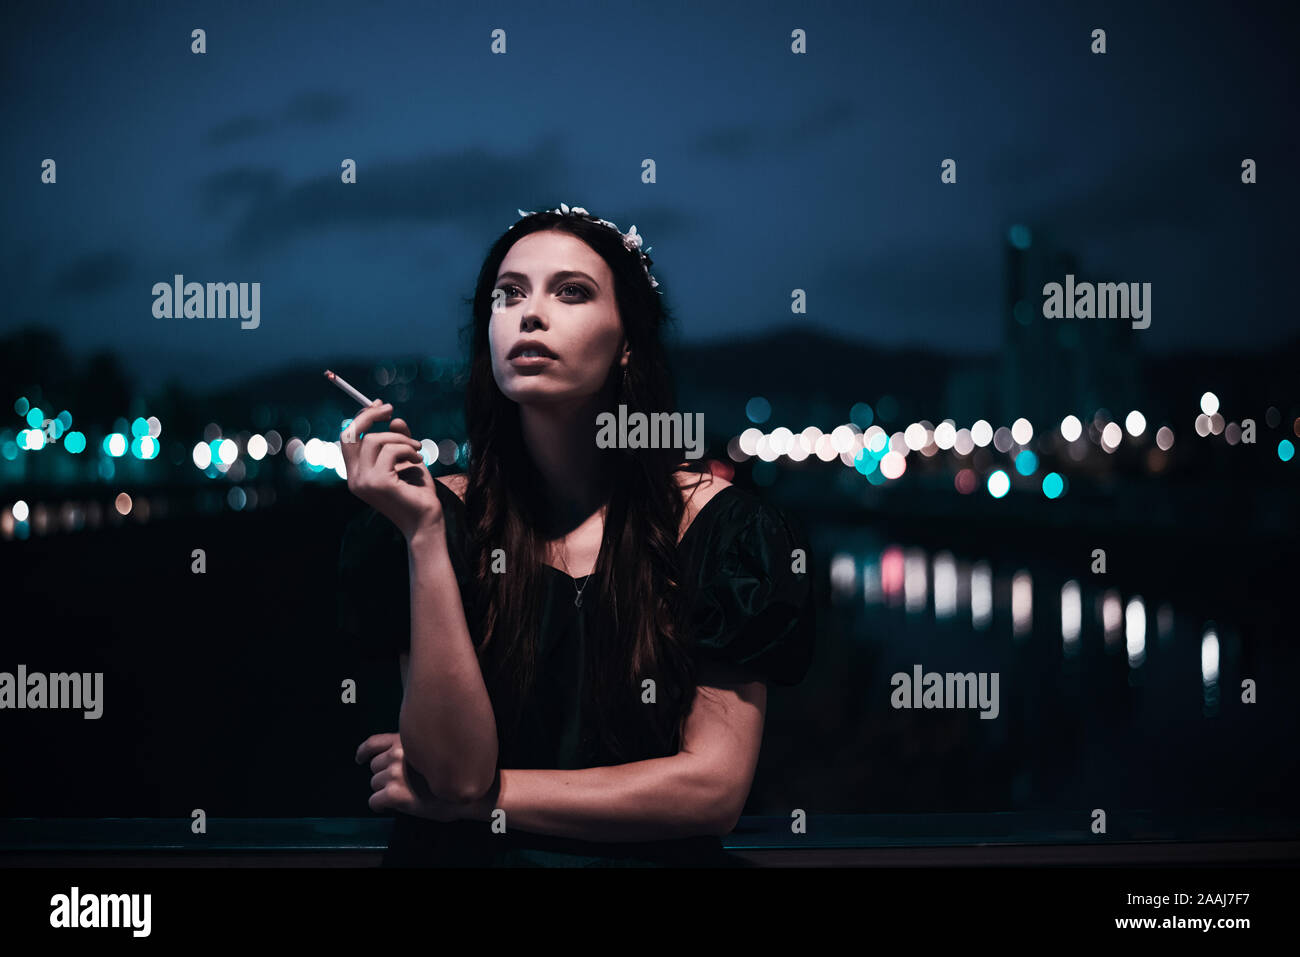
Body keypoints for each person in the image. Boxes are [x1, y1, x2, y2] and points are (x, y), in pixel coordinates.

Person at [336, 203, 816, 866]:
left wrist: (489, 800)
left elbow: (712, 791)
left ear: (627, 343)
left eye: (571, 291)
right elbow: (454, 772)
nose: (529, 313)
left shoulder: (724, 529)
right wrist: (422, 535)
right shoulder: (432, 514)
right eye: (508, 295)